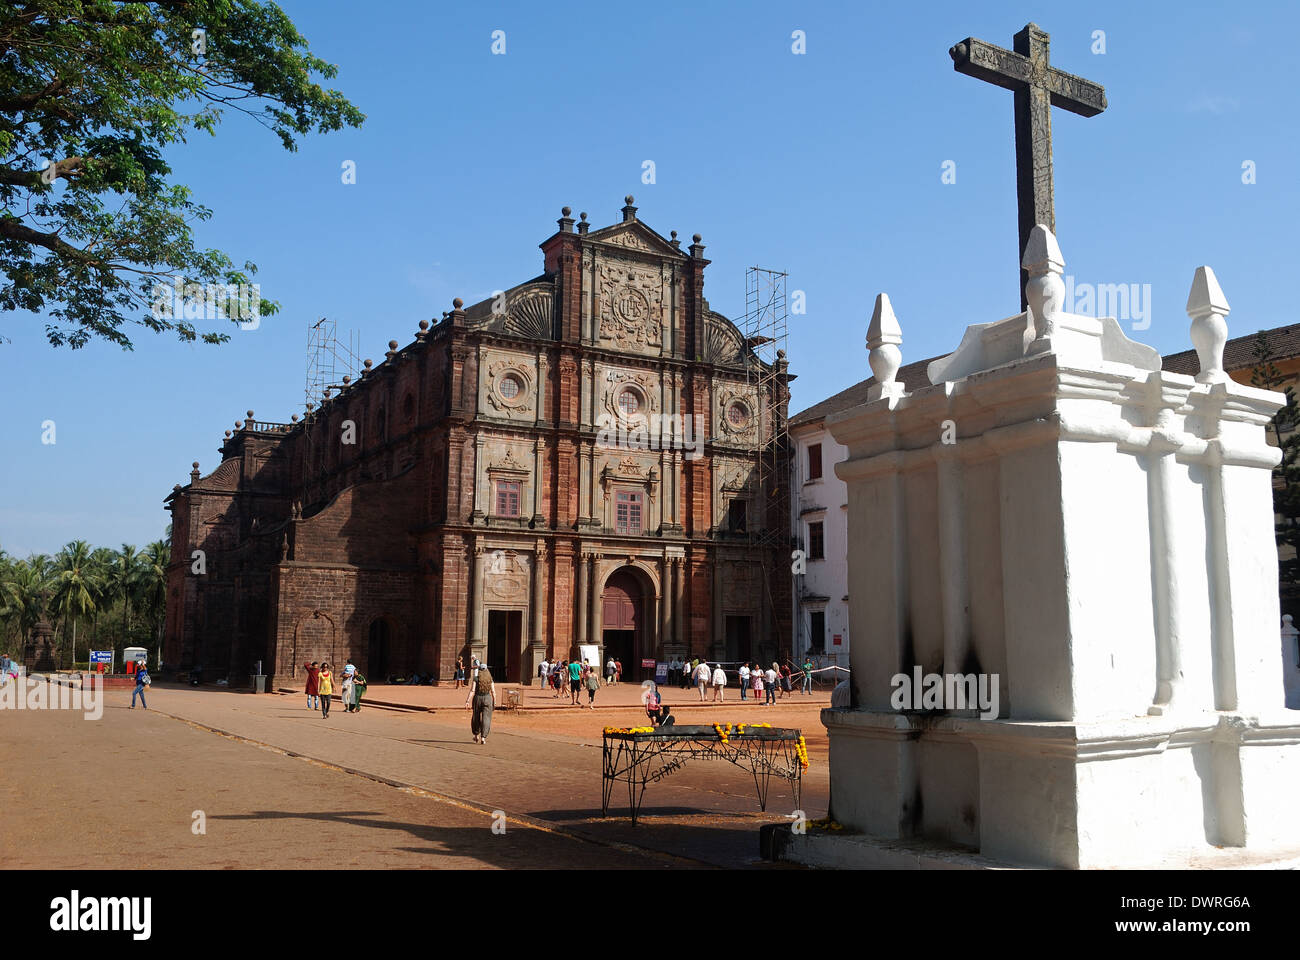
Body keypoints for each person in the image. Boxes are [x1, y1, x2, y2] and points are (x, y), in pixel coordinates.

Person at [466, 661, 496, 743]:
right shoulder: (490, 679)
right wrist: (494, 702)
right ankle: (483, 737)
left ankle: (476, 736)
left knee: (476, 717)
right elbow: (493, 691)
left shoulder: (476, 678)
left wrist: (467, 701)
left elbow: (472, 690)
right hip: (487, 698)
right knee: (486, 718)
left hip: (477, 698)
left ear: (479, 670)